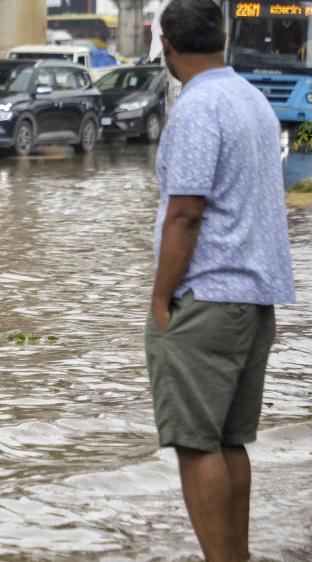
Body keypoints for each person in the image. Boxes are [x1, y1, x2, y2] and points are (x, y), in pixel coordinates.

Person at [145, 2, 295, 562]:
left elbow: (186, 212)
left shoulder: (197, 108)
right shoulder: (252, 100)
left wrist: (162, 299)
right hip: (254, 302)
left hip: (205, 299)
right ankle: (237, 556)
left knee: (195, 443)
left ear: (166, 44)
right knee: (231, 441)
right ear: (225, 37)